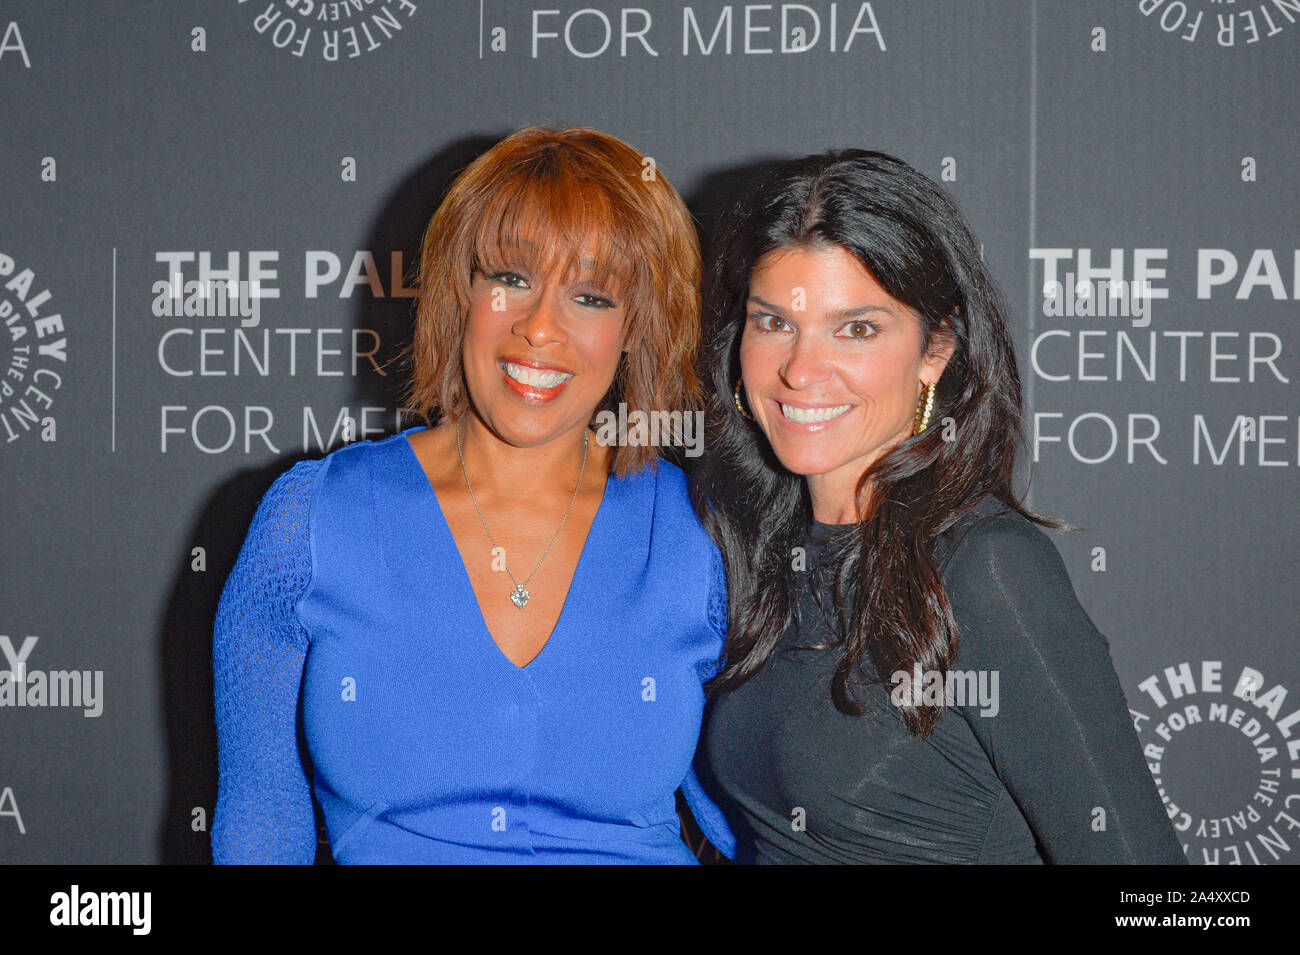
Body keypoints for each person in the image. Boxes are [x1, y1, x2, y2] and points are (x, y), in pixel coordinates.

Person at [212, 126, 732, 863]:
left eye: (590, 295)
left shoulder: (698, 535)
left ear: (638, 328)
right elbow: (261, 822)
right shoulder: (313, 522)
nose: (540, 328)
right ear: (459, 291)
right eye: (511, 278)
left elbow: (753, 815)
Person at [690, 149, 1187, 864]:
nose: (800, 370)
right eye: (774, 322)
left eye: (856, 328)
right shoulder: (751, 547)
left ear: (937, 348)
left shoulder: (985, 568)